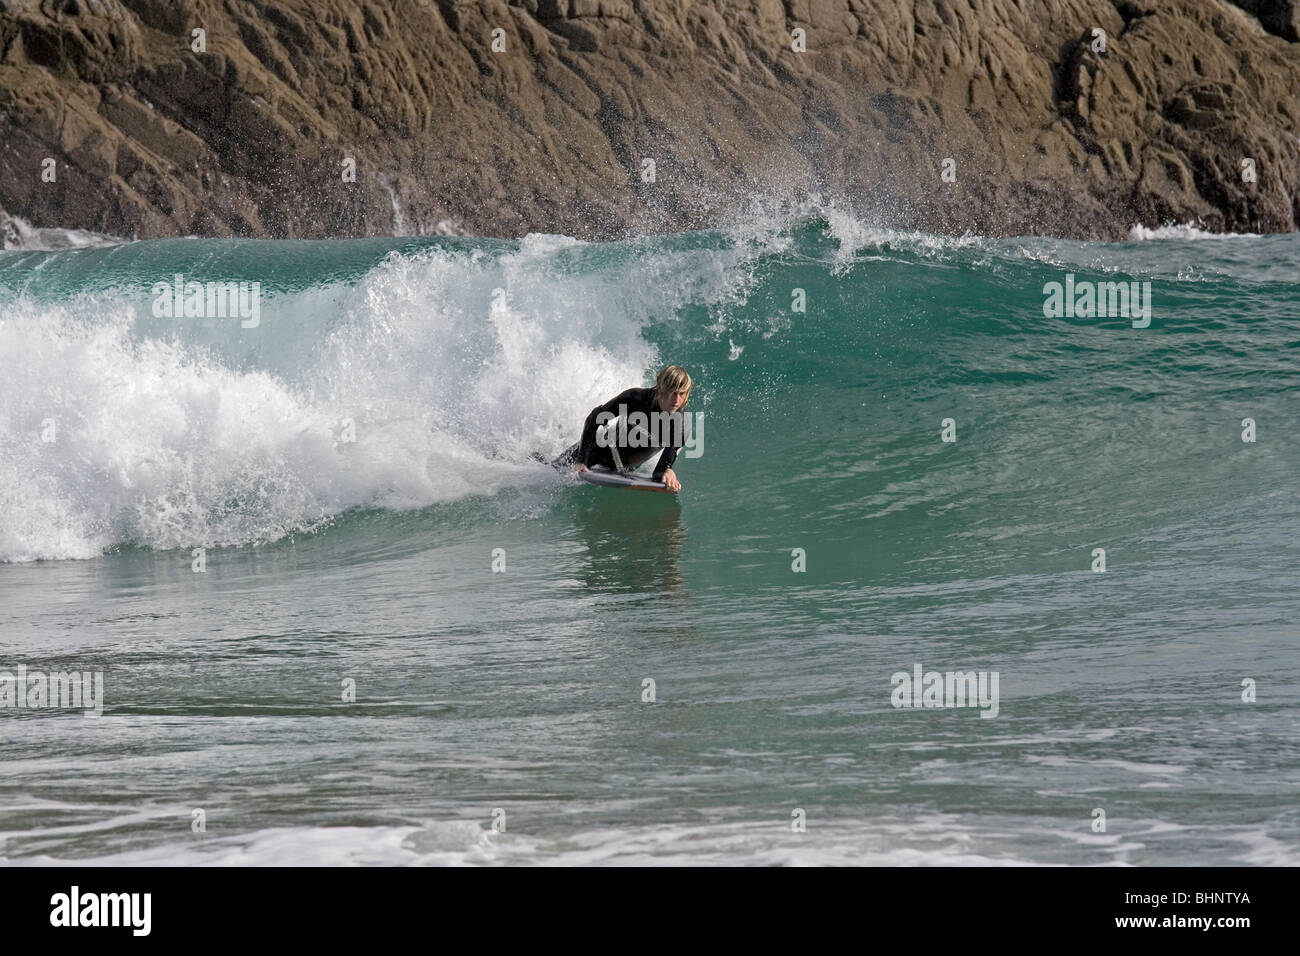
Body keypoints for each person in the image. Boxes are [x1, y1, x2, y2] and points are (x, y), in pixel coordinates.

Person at [552, 365, 692, 492]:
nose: (677, 400)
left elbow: (659, 471)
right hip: (598, 451)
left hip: (624, 468)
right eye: (673, 393)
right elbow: (594, 418)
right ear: (662, 387)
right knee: (551, 470)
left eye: (682, 393)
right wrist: (581, 459)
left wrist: (667, 471)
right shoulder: (636, 399)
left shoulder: (681, 423)